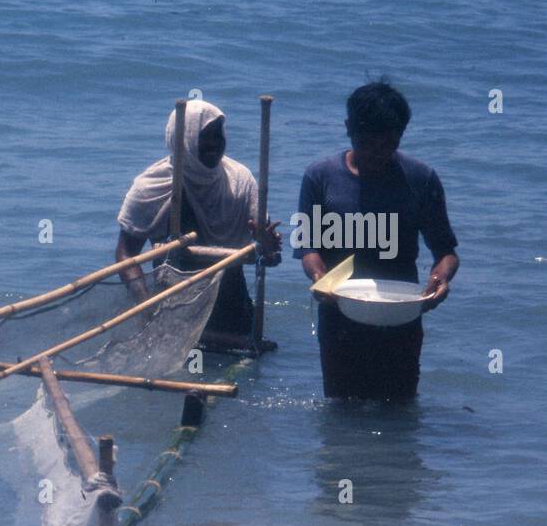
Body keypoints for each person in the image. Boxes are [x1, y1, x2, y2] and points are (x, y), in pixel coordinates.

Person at [295, 81, 459, 401]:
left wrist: (440, 280)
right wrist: (319, 279)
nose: (377, 154)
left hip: (401, 315)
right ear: (348, 130)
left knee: (398, 412)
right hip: (339, 314)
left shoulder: (421, 179)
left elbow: (446, 252)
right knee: (341, 412)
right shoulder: (319, 177)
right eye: (367, 143)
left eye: (388, 144)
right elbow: (308, 248)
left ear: (400, 137)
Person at [114, 98, 281, 348]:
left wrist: (267, 248)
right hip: (171, 306)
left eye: (218, 136)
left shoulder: (239, 182)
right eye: (205, 137)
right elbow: (126, 254)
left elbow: (269, 259)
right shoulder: (153, 186)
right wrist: (146, 306)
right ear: (185, 138)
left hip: (228, 306)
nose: (214, 145)